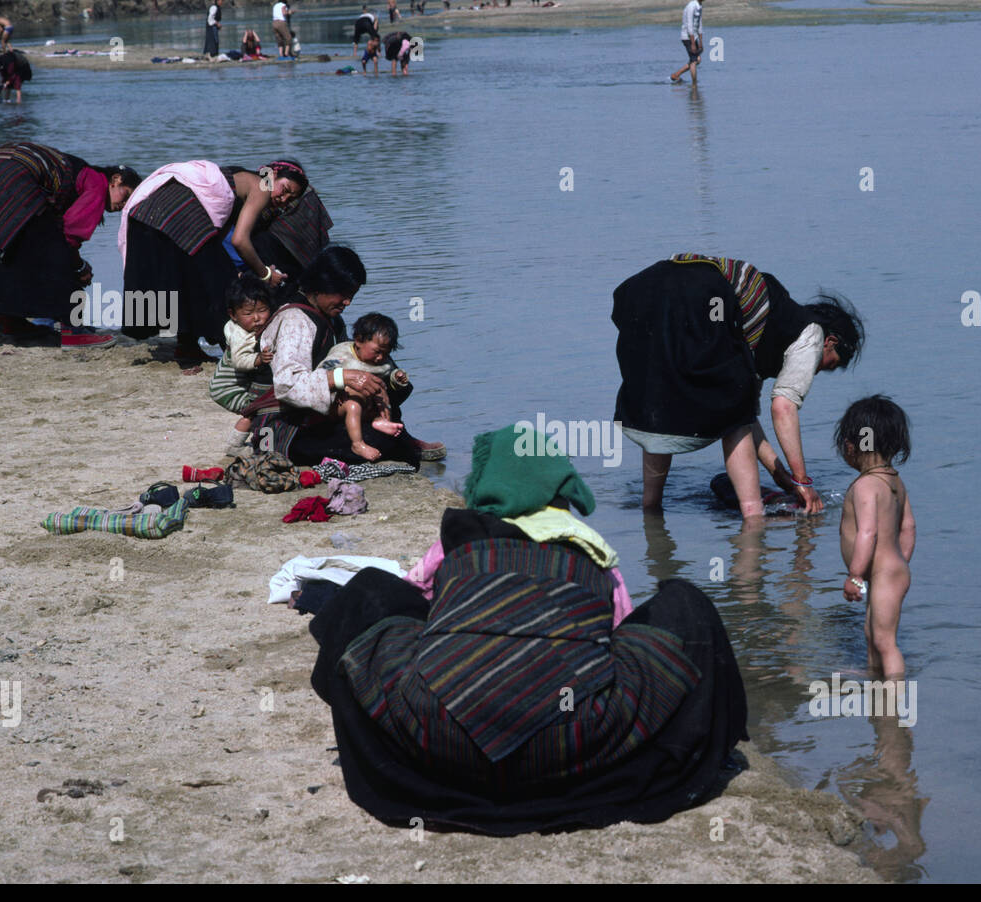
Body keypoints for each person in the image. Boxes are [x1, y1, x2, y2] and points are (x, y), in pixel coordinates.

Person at [308, 423, 749, 835]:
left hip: (444, 735)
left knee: (370, 592)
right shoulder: (589, 550)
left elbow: (411, 598)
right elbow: (615, 635)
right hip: (574, 742)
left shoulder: (456, 546)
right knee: (684, 605)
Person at [612, 253, 864, 520]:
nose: (818, 369)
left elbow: (746, 415)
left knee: (659, 400)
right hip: (703, 296)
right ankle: (753, 517)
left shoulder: (749, 342)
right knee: (733, 412)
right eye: (829, 364)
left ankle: (651, 509)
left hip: (646, 290)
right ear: (831, 342)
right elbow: (782, 408)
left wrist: (782, 478)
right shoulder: (811, 334)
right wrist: (803, 481)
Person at [248, 245, 440, 466]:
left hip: (316, 416)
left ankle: (401, 437)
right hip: (281, 427)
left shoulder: (330, 317)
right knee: (382, 441)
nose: (348, 302)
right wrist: (343, 377)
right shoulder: (295, 320)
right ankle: (402, 442)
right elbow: (288, 386)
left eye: (352, 296)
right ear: (321, 286)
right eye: (344, 294)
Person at [0, 143, 141, 348]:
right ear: (116, 180)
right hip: (10, 175)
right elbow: (70, 236)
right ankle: (73, 330)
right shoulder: (97, 182)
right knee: (58, 253)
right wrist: (79, 267)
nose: (124, 206)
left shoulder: (72, 172)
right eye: (126, 196)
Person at [118, 159, 310, 369]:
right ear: (271, 174)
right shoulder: (262, 186)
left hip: (147, 211)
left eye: (290, 198)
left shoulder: (237, 180)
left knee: (183, 278)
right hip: (176, 210)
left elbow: (221, 239)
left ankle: (188, 348)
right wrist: (265, 274)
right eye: (285, 189)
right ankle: (234, 350)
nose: (283, 198)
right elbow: (240, 240)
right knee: (220, 285)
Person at [835, 395, 915, 678]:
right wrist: (899, 563)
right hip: (888, 573)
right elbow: (908, 528)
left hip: (881, 575)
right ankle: (874, 677)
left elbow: (867, 532)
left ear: (850, 447)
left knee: (884, 640)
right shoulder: (895, 481)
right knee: (872, 634)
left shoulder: (865, 486)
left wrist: (855, 574)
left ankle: (892, 699)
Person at [318, 313, 412, 461]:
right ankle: (358, 444)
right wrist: (338, 389)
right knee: (353, 406)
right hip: (340, 404)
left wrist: (397, 378)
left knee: (381, 391)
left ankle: (380, 420)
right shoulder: (342, 355)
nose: (380, 357)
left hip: (367, 405)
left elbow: (388, 376)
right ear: (359, 340)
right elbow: (321, 376)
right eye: (377, 351)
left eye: (385, 353)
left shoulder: (383, 362)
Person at [215, 274, 278, 456]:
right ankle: (236, 445)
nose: (257, 318)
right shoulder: (240, 335)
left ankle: (262, 445)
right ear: (233, 315)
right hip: (226, 387)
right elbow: (240, 361)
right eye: (248, 313)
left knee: (257, 409)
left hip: (232, 385)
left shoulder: (249, 327)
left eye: (263, 310)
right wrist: (258, 359)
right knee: (257, 410)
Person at [670, 0, 703, 84]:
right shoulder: (691, 6)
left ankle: (676, 75)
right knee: (694, 61)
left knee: (698, 60)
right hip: (687, 37)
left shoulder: (699, 5)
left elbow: (699, 24)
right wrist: (692, 43)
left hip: (694, 37)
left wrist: (700, 41)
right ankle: (694, 85)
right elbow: (689, 25)